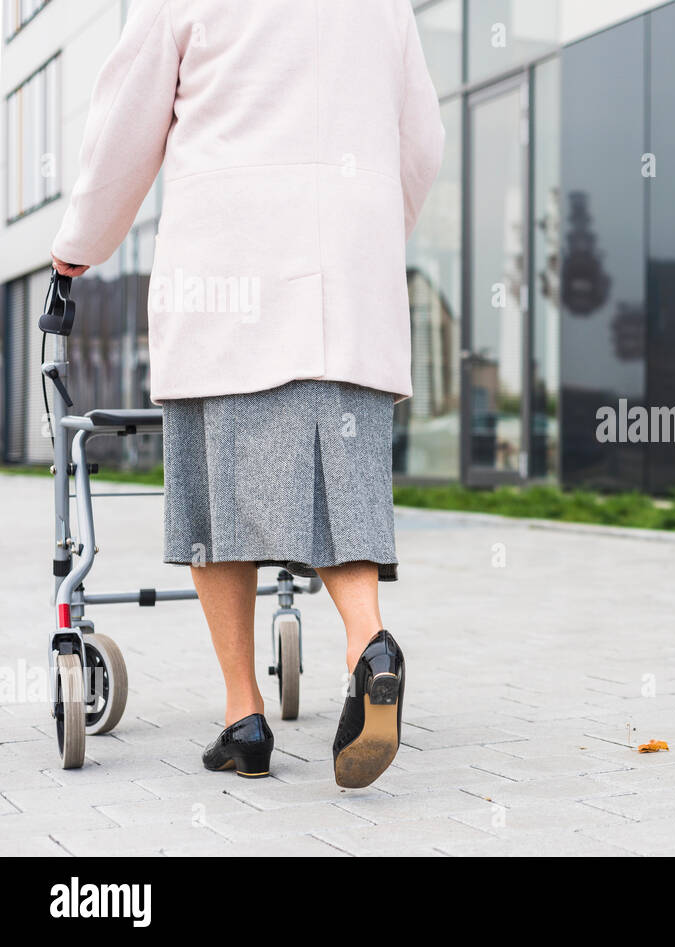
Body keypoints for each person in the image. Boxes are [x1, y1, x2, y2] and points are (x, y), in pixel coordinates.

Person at [50, 0, 445, 788]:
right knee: (347, 489)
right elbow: (421, 144)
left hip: (233, 271)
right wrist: (366, 235)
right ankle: (370, 644)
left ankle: (244, 716)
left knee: (215, 507)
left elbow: (127, 126)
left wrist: (77, 247)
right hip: (349, 284)